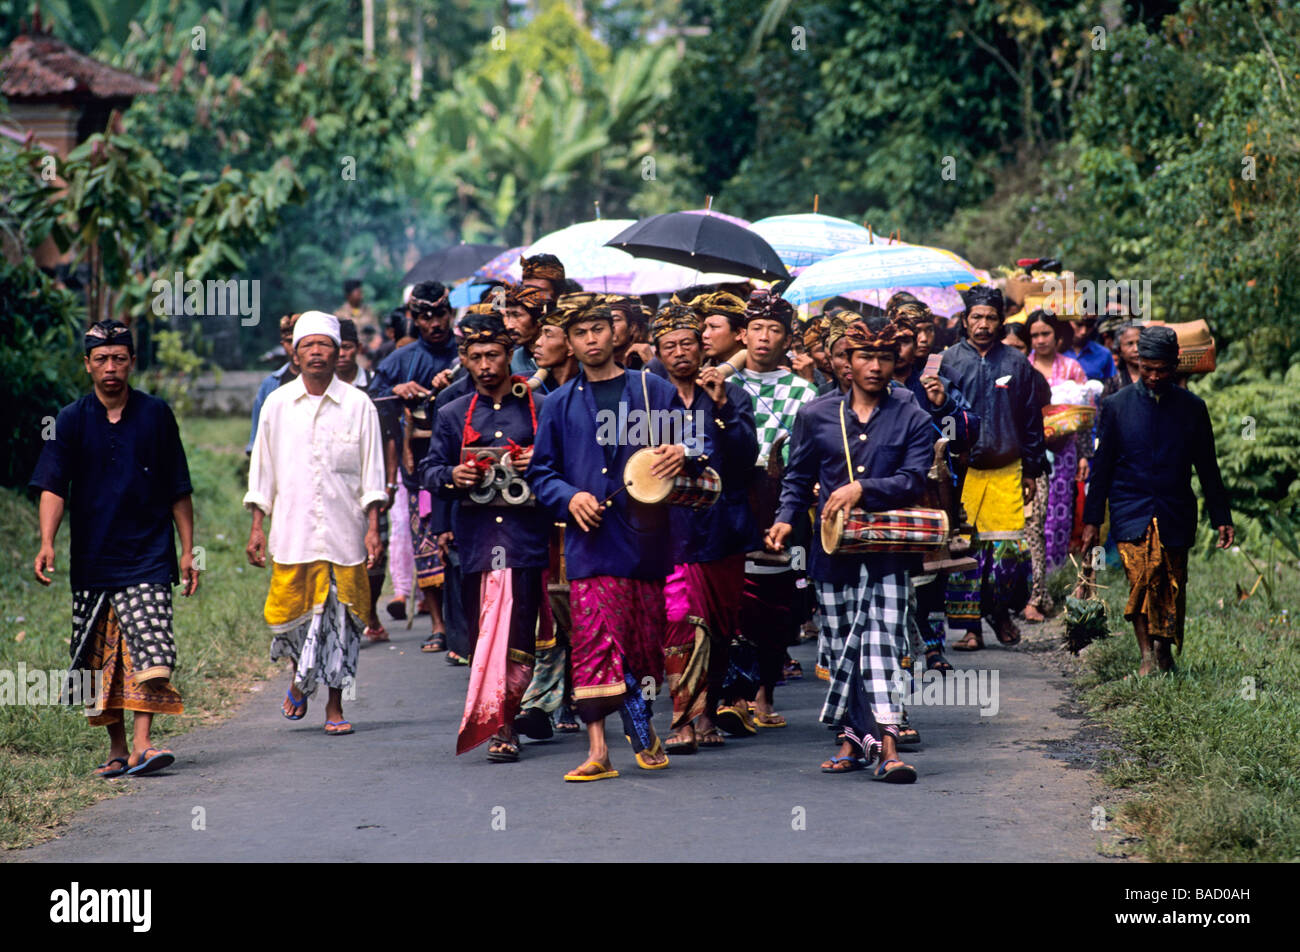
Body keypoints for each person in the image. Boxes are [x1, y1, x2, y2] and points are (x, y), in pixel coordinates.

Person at [528, 298, 709, 781]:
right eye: (580, 333)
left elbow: (696, 442)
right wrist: (569, 497)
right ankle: (597, 751)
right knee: (593, 640)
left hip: (647, 541)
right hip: (589, 542)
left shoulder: (653, 390)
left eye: (597, 330)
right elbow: (541, 472)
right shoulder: (558, 403)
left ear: (616, 334)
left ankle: (637, 716)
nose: (590, 339)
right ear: (570, 342)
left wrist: (682, 450)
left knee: (638, 643)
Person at [767, 315, 933, 782]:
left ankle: (889, 747)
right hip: (831, 553)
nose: (875, 366)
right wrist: (783, 521)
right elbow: (797, 479)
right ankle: (849, 739)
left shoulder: (912, 415)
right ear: (847, 362)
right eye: (865, 357)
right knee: (843, 647)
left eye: (884, 357)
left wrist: (861, 489)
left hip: (891, 552)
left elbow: (914, 480)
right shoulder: (816, 415)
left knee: (881, 646)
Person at [31, 320, 197, 778]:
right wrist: (46, 542)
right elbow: (52, 485)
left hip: (148, 553)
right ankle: (119, 750)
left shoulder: (157, 414)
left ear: (132, 363)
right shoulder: (68, 419)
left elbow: (179, 487)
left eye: (119, 358)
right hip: (92, 558)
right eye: (101, 359)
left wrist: (188, 550)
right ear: (87, 364)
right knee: (102, 658)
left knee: (150, 646)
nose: (111, 367)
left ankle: (144, 745)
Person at [245, 311, 387, 735]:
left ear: (339, 350)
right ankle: (300, 675)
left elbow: (373, 472)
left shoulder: (359, 405)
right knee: (295, 616)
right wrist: (257, 525)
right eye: (308, 345)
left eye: (325, 345)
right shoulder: (277, 404)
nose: (317, 353)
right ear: (295, 352)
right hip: (293, 533)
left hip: (345, 534)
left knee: (342, 622)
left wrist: (374, 526)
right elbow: (262, 472)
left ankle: (335, 706)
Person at [422, 312, 549, 761]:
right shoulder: (453, 411)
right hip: (477, 541)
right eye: (475, 356)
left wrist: (536, 462)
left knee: (520, 631)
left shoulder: (540, 405)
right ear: (464, 358)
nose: (485, 365)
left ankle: (509, 720)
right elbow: (430, 469)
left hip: (529, 538)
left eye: (493, 354)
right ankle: (501, 722)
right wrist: (452, 474)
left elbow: (566, 462)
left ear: (509, 354)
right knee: (485, 633)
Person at [1081, 325, 1234, 675]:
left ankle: (1164, 649)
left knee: (1172, 582)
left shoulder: (1193, 408)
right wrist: (1092, 520)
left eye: (1160, 369)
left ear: (1175, 364)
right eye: (1146, 368)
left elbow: (1208, 467)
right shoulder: (1116, 406)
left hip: (1175, 509)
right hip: (1129, 508)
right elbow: (1102, 469)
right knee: (1141, 579)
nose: (1152, 376)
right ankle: (1146, 654)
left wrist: (1221, 516)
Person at [652, 304, 758, 753]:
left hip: (722, 529)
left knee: (718, 626)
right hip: (670, 530)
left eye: (688, 344)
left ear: (703, 348)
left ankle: (709, 711)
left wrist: (720, 406)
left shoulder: (733, 397)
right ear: (658, 352)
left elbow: (743, 458)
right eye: (670, 346)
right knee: (680, 620)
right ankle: (684, 717)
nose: (680, 353)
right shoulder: (649, 399)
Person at [726, 292, 819, 732]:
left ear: (788, 338)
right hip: (735, 498)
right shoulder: (723, 384)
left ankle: (766, 690)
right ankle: (734, 692)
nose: (765, 338)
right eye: (757, 329)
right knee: (735, 596)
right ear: (742, 335)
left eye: (775, 330)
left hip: (784, 500)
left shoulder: (804, 390)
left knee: (781, 598)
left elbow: (811, 453)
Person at [940, 286, 1048, 650]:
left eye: (990, 317)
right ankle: (971, 629)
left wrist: (1032, 469)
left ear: (1001, 321)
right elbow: (939, 419)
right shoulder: (948, 362)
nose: (983, 324)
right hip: (963, 473)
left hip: (1008, 468)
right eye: (976, 317)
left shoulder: (1017, 364)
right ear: (965, 321)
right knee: (964, 552)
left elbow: (1032, 420)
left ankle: (1000, 614)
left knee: (1006, 556)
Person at [368, 281, 459, 651]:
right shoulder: (399, 361)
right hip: (420, 469)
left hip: (465, 462)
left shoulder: (468, 349)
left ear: (449, 313)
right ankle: (438, 624)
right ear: (413, 318)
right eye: (426, 316)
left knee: (464, 546)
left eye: (440, 314)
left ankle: (466, 626)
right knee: (427, 544)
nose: (435, 323)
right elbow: (371, 400)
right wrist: (399, 391)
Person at [889, 303, 980, 670]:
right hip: (885, 485)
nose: (913, 344)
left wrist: (943, 408)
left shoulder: (938, 375)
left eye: (920, 334)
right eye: (903, 338)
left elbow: (966, 434)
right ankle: (898, 646)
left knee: (932, 566)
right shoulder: (866, 380)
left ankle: (933, 646)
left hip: (931, 486)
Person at [1027, 310, 1092, 595]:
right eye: (1035, 335)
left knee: (1059, 511)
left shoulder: (1071, 369)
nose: (1040, 340)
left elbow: (1086, 418)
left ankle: (1054, 580)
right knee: (1031, 512)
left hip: (1065, 449)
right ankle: (1028, 581)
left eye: (1045, 334)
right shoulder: (1022, 366)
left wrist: (1083, 456)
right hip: (1030, 448)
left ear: (1057, 335)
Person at [338, 318, 390, 641]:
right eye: (337, 347)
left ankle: (369, 611)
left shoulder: (374, 384)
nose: (342, 354)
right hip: (339, 481)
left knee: (374, 549)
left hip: (374, 475)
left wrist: (391, 482)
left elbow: (392, 436)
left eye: (347, 347)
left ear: (357, 348)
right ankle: (349, 617)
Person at [1003, 322, 1054, 620]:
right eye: (1007, 348)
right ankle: (1006, 600)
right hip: (999, 468)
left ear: (1028, 349)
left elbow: (1039, 429)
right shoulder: (992, 379)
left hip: (1032, 466)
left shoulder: (1035, 380)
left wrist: (1032, 469)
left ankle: (1035, 598)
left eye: (1018, 348)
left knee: (1033, 530)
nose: (1013, 354)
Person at [246, 313, 300, 455]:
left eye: (298, 342)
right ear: (283, 345)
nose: (294, 348)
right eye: (289, 341)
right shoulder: (270, 385)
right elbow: (258, 433)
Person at [499, 283, 549, 378]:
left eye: (517, 315)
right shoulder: (514, 359)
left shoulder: (559, 354)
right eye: (507, 315)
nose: (509, 326)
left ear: (540, 318)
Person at [1065, 312, 1117, 382]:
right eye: (1079, 325)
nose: (1083, 331)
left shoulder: (1104, 354)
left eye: (1089, 326)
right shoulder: (1054, 352)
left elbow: (1112, 385)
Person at [1101, 320, 1142, 398]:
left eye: (1140, 343)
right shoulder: (1114, 382)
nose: (1136, 349)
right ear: (1119, 349)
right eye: (1130, 344)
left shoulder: (1154, 378)